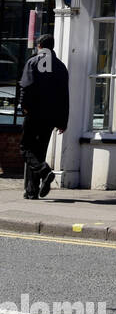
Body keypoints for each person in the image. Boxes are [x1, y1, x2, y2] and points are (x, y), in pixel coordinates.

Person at [19, 34, 69, 200]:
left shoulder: (33, 62)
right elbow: (64, 96)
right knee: (39, 151)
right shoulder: (61, 67)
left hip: (34, 114)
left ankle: (45, 171)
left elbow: (25, 87)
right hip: (50, 117)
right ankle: (32, 191)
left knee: (25, 148)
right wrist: (63, 121)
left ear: (39, 45)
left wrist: (24, 106)